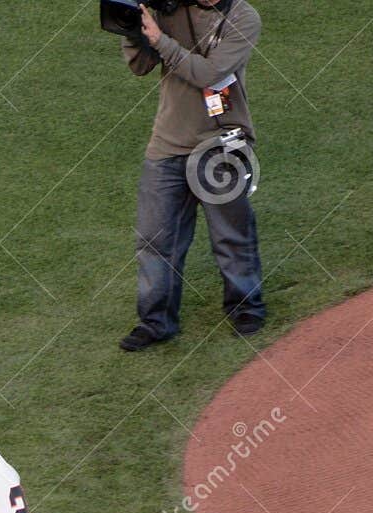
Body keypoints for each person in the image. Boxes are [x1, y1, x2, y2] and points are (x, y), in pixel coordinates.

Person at [119, 0, 265, 351]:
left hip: (222, 142)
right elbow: (139, 66)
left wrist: (161, 40)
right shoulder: (167, 10)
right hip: (167, 143)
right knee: (155, 241)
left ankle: (247, 308)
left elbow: (209, 75)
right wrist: (132, 28)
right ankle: (156, 322)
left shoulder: (243, 17)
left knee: (231, 235)